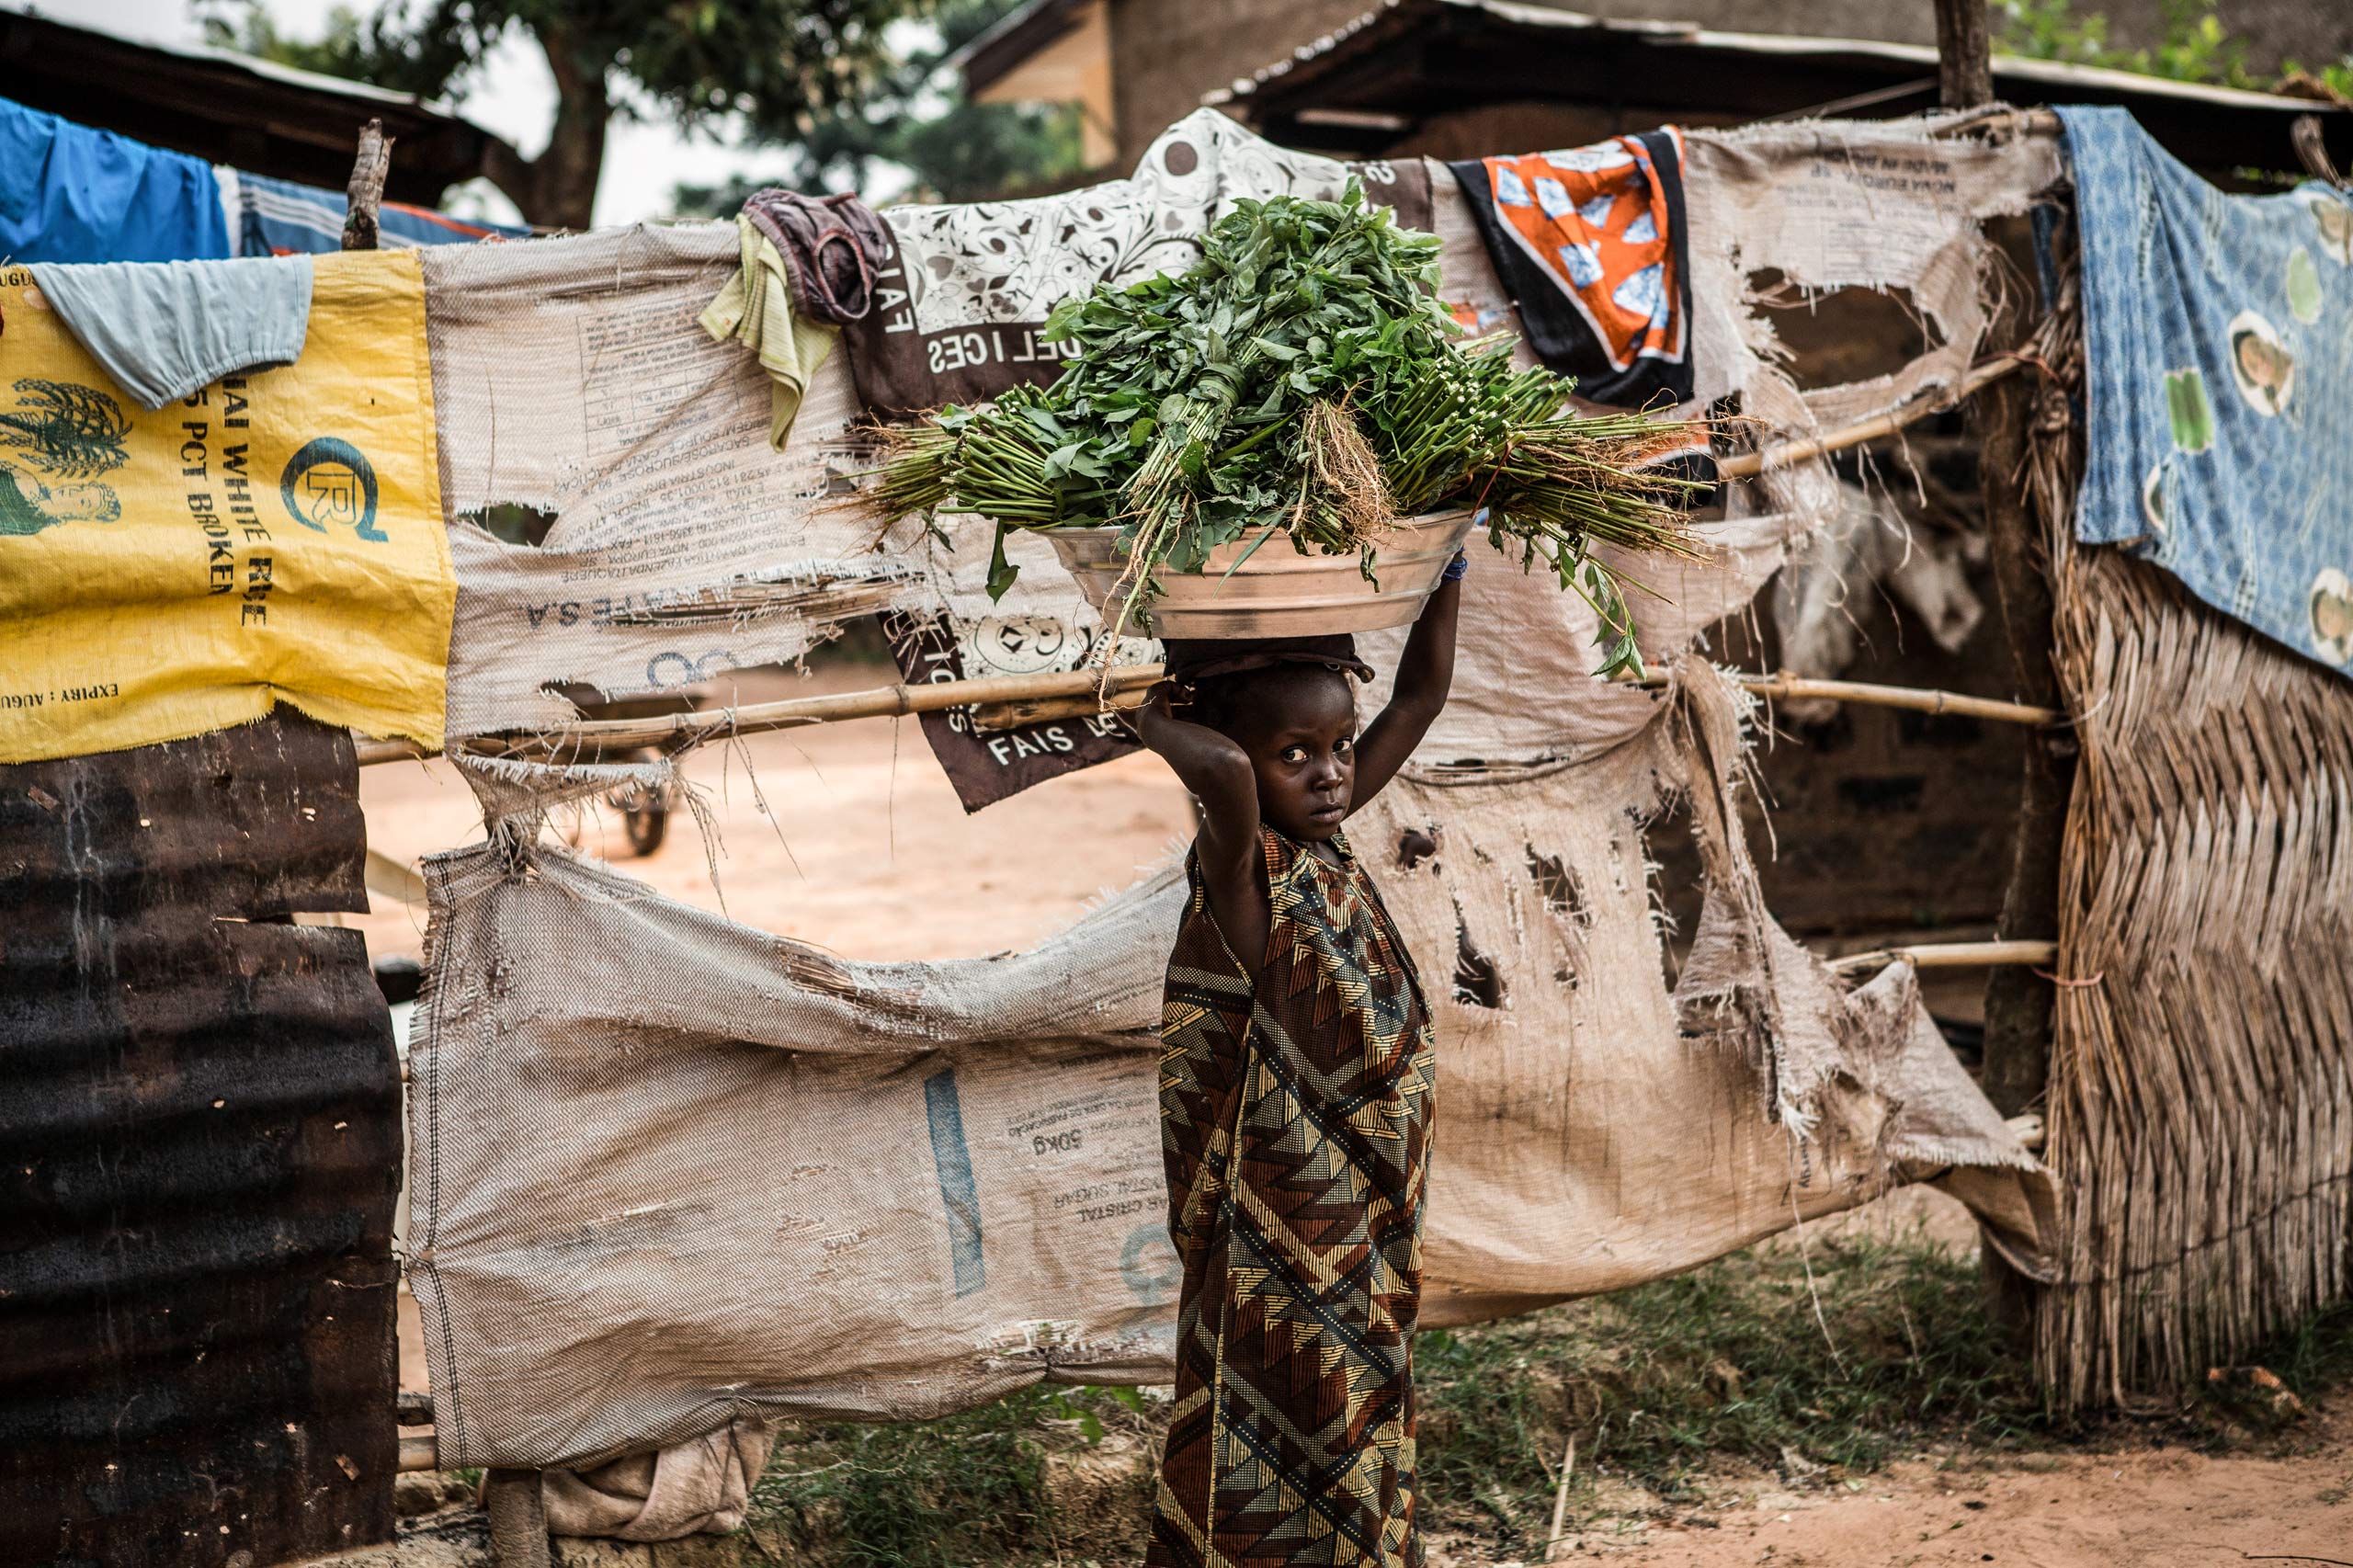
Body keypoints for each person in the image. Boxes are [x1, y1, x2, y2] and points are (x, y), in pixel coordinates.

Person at [1131, 551, 1464, 1568]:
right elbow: (1225, 776)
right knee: (1281, 1404)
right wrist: (1150, 719)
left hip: (1357, 1221)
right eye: (1295, 753)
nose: (1330, 772)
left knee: (1361, 1403)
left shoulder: (1324, 848)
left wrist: (1449, 557)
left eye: (1338, 746)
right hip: (1275, 1239)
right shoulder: (1238, 877)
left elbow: (1420, 695)